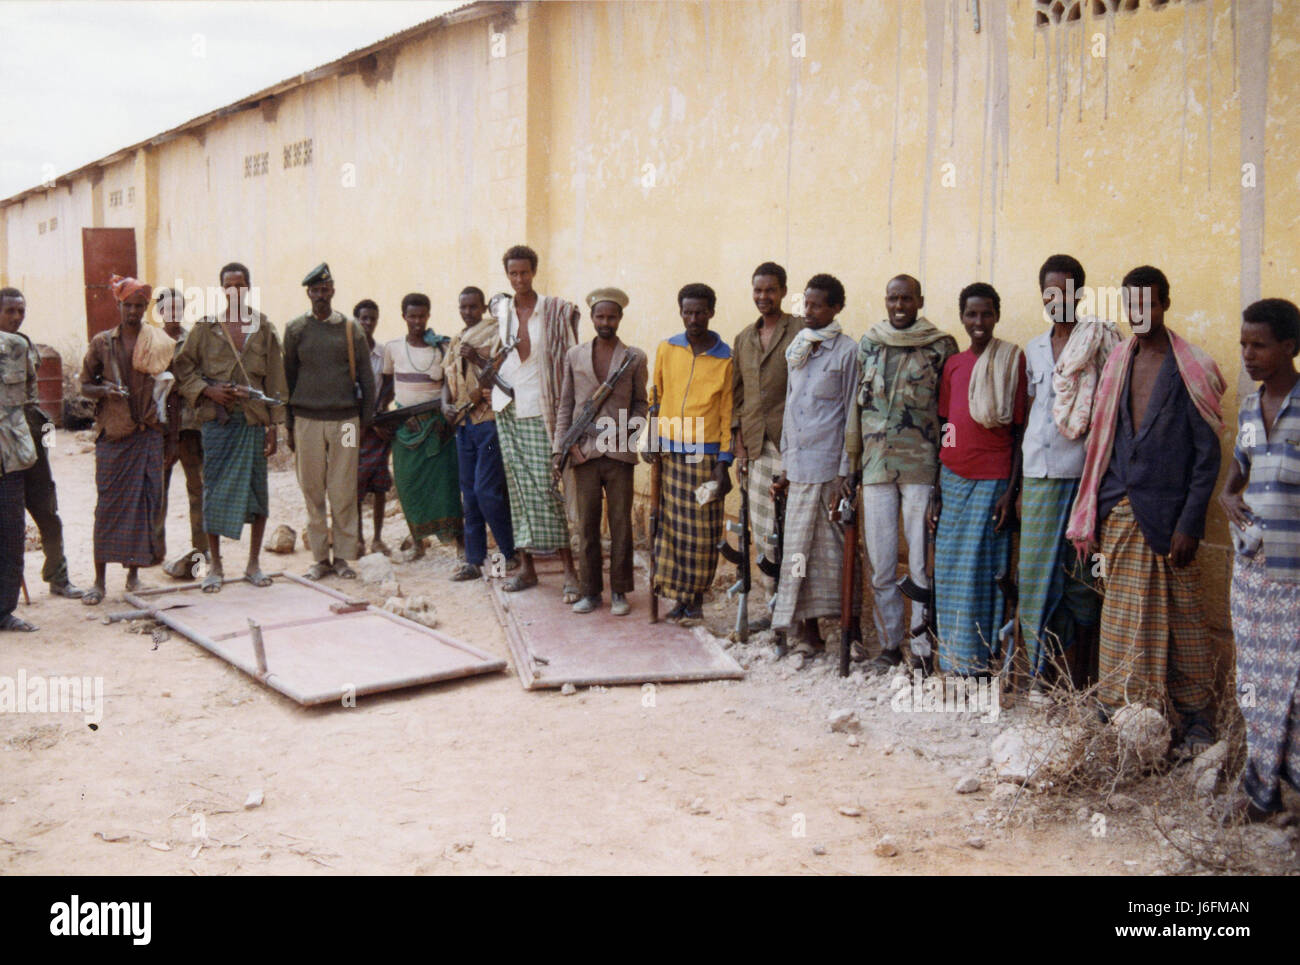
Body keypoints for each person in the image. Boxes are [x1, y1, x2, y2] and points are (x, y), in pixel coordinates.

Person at [1066, 265, 1223, 757]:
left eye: (1148, 304)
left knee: (1186, 625)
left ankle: (1196, 720)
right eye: (1130, 305)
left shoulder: (1193, 367)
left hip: (1171, 524)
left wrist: (1189, 524)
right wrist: (1099, 510)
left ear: (1165, 304)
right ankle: (1122, 711)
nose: (1139, 314)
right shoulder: (1116, 363)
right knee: (1121, 620)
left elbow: (1207, 457)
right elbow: (1104, 444)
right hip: (1121, 515)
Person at [845, 274, 957, 675]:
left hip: (921, 466)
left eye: (906, 299)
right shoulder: (870, 343)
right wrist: (852, 464)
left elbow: (949, 414)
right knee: (881, 562)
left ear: (919, 300)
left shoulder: (940, 346)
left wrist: (946, 467)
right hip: (875, 465)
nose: (898, 306)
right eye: (892, 298)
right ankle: (891, 644)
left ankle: (923, 648)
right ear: (885, 299)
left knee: (921, 564)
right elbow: (856, 410)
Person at [1018, 255, 1118, 693]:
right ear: (1042, 295)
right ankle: (1041, 679)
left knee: (1082, 581)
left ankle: (1082, 685)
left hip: (1081, 480)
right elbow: (1026, 419)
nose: (1058, 299)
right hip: (1038, 479)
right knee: (1036, 579)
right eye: (1050, 291)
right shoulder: (1034, 350)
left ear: (1080, 294)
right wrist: (1015, 487)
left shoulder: (1098, 344)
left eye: (1068, 291)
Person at [1219, 298, 1300, 821]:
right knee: (1256, 682)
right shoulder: (1249, 407)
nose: (1247, 354)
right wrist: (1228, 495)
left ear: (1290, 347)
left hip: (1296, 574)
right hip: (1252, 570)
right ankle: (1261, 792)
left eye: (1260, 344)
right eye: (1244, 343)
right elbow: (1239, 468)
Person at [931, 282, 1027, 675]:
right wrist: (941, 476)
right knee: (951, 570)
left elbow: (1019, 430)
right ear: (962, 317)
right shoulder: (954, 365)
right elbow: (947, 424)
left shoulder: (1011, 361)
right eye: (971, 314)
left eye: (986, 313)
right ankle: (952, 658)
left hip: (993, 481)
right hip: (953, 479)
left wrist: (1011, 490)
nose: (979, 321)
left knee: (984, 571)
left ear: (997, 315)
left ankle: (981, 660)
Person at [173, 262, 287, 592]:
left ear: (248, 287)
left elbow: (275, 379)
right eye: (228, 286)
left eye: (240, 285)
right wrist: (208, 390)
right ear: (221, 290)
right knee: (214, 492)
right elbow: (183, 369)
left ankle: (253, 564)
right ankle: (216, 566)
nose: (234, 291)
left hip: (253, 421)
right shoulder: (206, 329)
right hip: (218, 423)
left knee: (257, 492)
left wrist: (273, 426)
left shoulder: (263, 327)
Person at [769, 274, 859, 660]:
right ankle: (807, 634)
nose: (808, 311)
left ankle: (848, 635)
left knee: (836, 556)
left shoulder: (848, 352)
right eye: (805, 303)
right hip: (800, 468)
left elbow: (852, 414)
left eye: (818, 305)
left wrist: (844, 472)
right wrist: (785, 465)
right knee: (797, 555)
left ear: (836, 308)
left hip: (830, 472)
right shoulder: (798, 349)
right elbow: (791, 408)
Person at [487, 245, 580, 599]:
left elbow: (571, 357)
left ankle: (569, 569)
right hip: (508, 408)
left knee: (548, 488)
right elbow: (494, 355)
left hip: (545, 408)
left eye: (525, 272)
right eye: (513, 273)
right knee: (518, 490)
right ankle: (526, 567)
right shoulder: (502, 313)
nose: (519, 279)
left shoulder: (553, 311)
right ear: (507, 275)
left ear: (534, 272)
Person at [552, 287, 648, 616]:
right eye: (600, 316)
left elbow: (640, 403)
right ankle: (590, 591)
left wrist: (627, 434)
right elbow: (566, 404)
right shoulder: (574, 355)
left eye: (612, 316)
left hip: (619, 454)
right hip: (584, 454)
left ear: (620, 318)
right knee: (587, 526)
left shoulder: (634, 357)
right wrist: (561, 447)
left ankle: (620, 591)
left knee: (621, 525)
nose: (605, 322)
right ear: (592, 318)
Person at [78, 275, 168, 605]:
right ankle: (99, 581)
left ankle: (133, 577)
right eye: (128, 305)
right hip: (114, 436)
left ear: (146, 308)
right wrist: (106, 390)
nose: (133, 311)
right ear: (119, 306)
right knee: (108, 509)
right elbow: (85, 385)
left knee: (144, 505)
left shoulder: (155, 341)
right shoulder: (103, 343)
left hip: (147, 435)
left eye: (139, 306)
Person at [283, 263, 375, 580]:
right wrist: (289, 424)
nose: (321, 295)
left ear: (333, 290)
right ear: (308, 293)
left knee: (344, 489)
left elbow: (367, 377)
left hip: (347, 422)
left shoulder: (351, 330)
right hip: (307, 419)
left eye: (326, 289)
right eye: (315, 290)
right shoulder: (295, 330)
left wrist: (364, 421)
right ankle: (321, 558)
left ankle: (344, 558)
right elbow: (288, 379)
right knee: (312, 489)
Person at [651, 283, 734, 625]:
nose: (693, 318)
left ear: (712, 312)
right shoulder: (667, 348)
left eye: (700, 311)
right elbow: (656, 396)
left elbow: (729, 414)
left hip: (705, 460)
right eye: (687, 312)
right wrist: (652, 440)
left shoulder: (725, 358)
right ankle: (680, 598)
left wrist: (723, 463)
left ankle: (696, 598)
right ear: (680, 311)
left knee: (701, 530)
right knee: (673, 528)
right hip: (671, 456)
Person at [0, 287, 84, 598]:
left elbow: (35, 401)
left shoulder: (24, 345)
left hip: (30, 432)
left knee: (47, 510)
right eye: (9, 311)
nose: (16, 317)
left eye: (20, 311)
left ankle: (58, 577)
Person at [732, 262, 800, 615]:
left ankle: (796, 610)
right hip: (756, 447)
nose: (763, 297)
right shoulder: (744, 338)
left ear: (784, 292)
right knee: (762, 530)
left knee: (792, 530)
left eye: (770, 290)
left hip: (792, 446)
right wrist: (739, 442)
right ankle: (772, 607)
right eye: (758, 290)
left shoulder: (800, 331)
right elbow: (737, 396)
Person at [380, 293, 462, 555]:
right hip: (405, 427)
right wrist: (380, 417)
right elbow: (386, 388)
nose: (417, 321)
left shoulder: (442, 348)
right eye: (411, 316)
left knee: (445, 485)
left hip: (438, 428)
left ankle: (459, 543)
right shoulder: (392, 348)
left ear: (428, 315)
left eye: (421, 315)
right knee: (408, 485)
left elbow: (450, 386)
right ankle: (418, 542)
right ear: (403, 316)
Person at [445, 286, 515, 581]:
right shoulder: (456, 339)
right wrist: (444, 406)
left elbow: (499, 373)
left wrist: (474, 357)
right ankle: (473, 561)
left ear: (483, 308)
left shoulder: (496, 334)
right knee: (470, 495)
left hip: (488, 423)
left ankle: (508, 555)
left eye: (473, 307)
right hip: (463, 425)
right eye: (463, 307)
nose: (468, 312)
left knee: (488, 492)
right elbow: (445, 376)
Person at [154, 288, 207, 577]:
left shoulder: (194, 340)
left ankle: (202, 549)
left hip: (190, 427)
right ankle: (154, 550)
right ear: (160, 312)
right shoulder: (151, 340)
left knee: (197, 489)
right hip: (161, 428)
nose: (173, 314)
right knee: (157, 489)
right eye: (167, 309)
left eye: (178, 309)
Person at [0, 327, 39, 631]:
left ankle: (4, 611)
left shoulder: (14, 346)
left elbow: (30, 397)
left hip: (9, 458)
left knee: (12, 537)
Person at [354, 298, 393, 556]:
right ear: (355, 320)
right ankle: (356, 538)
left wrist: (379, 411)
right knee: (352, 481)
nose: (368, 323)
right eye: (363, 318)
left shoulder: (382, 353)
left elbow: (389, 386)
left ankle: (378, 538)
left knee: (379, 483)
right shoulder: (347, 354)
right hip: (352, 427)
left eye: (372, 319)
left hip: (378, 427)